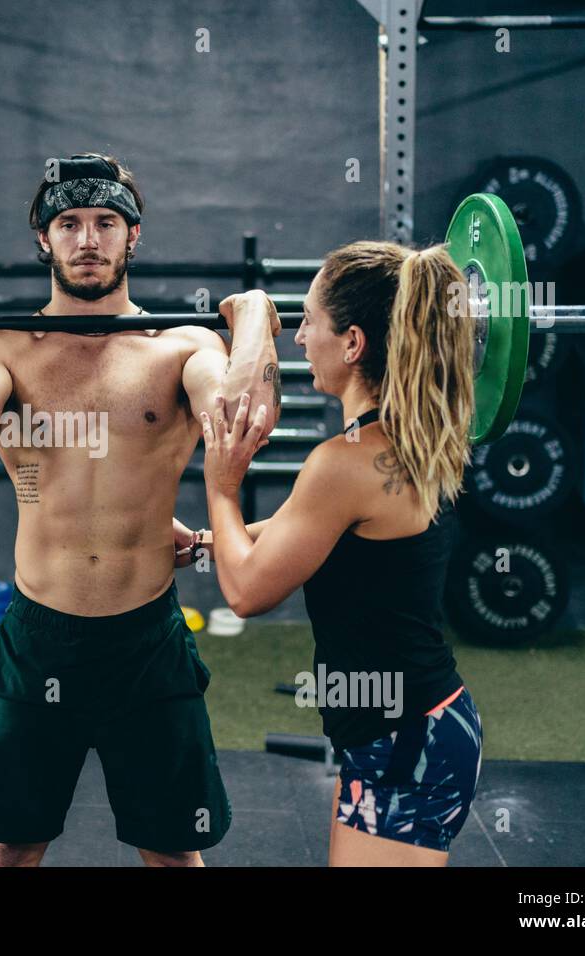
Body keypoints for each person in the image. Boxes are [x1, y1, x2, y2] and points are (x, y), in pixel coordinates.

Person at [0, 153, 281, 866]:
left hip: (147, 640)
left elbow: (245, 419)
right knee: (13, 845)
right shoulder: (3, 347)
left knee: (174, 849)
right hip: (40, 633)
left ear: (133, 236)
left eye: (107, 222)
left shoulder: (183, 347)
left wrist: (255, 318)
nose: (87, 239)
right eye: (67, 222)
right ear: (44, 239)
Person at [197, 240, 483, 866]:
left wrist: (221, 487)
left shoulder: (343, 463)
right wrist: (208, 541)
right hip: (415, 724)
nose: (299, 339)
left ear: (352, 343)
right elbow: (315, 528)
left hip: (404, 740)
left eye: (309, 322)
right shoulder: (409, 435)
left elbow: (246, 594)